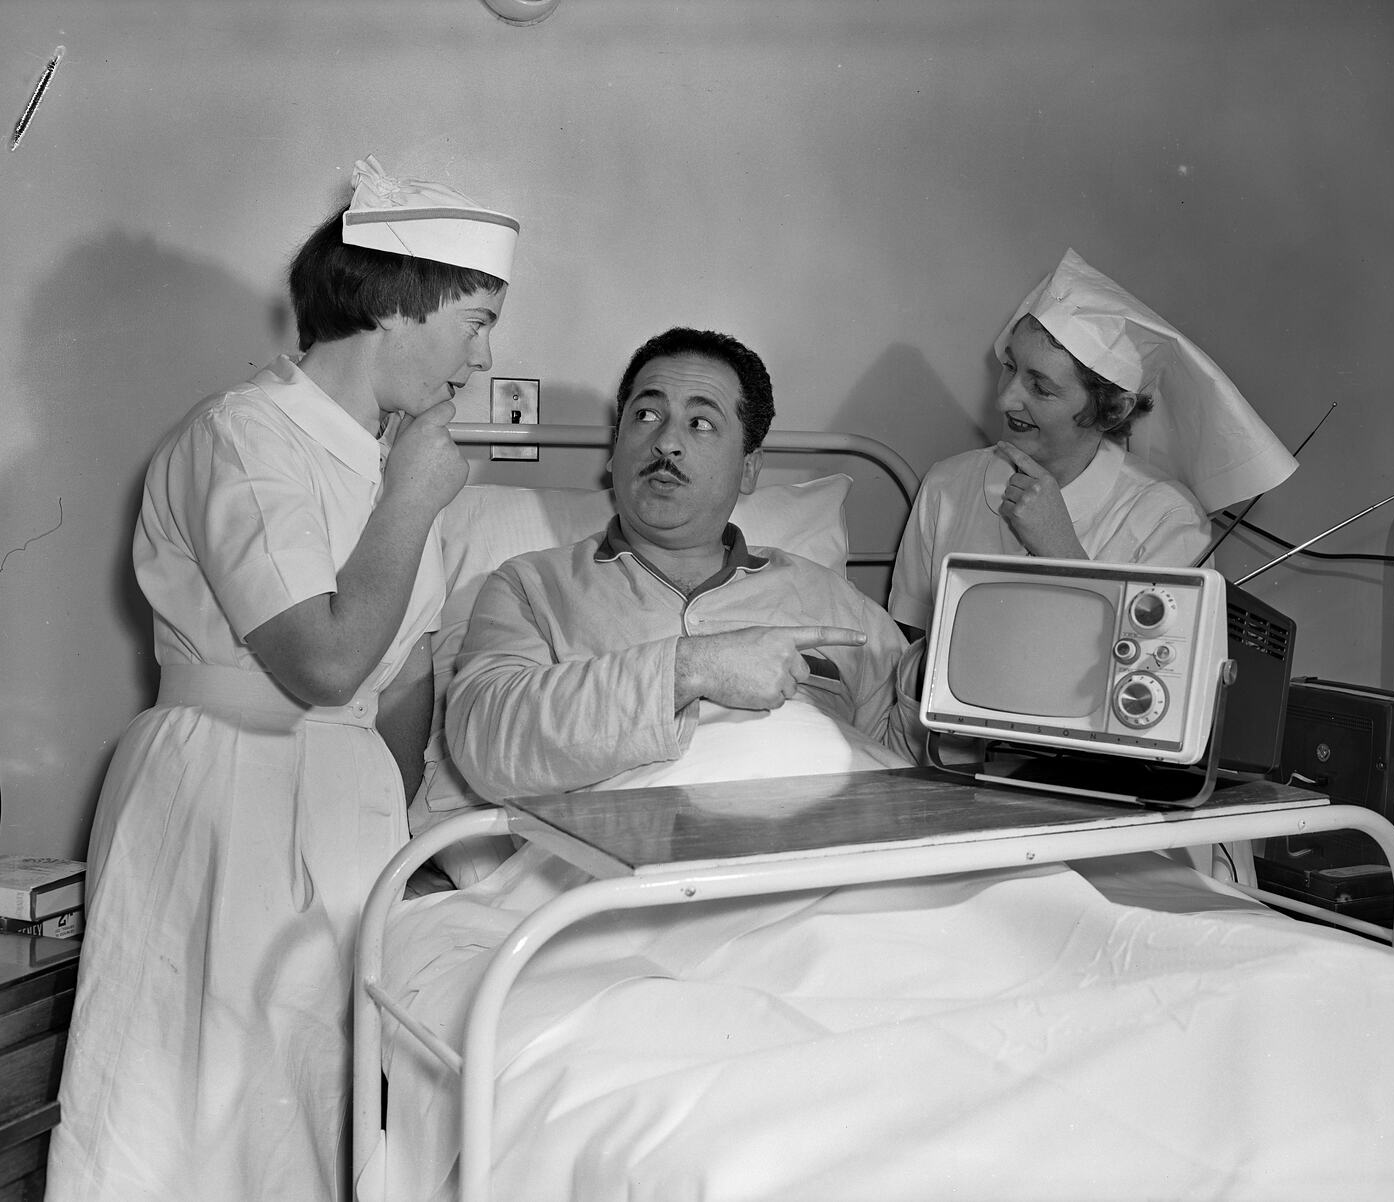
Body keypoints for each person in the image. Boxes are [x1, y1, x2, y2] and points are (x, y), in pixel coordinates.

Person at [47, 156, 520, 1202]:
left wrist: (403, 847)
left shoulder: (386, 457)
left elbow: (398, 685)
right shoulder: (246, 435)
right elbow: (325, 660)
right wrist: (413, 502)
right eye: (477, 321)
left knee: (312, 1111)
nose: (485, 357)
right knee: (197, 1116)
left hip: (346, 814)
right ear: (397, 303)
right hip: (228, 793)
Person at [446, 326, 922, 805]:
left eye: (701, 423)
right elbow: (488, 743)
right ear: (615, 449)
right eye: (647, 415)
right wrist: (691, 669)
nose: (667, 442)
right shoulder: (533, 587)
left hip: (848, 835)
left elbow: (908, 760)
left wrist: (933, 675)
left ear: (749, 468)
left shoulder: (834, 602)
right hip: (639, 845)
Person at [888, 248, 1297, 637]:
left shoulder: (1167, 521)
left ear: (1114, 410)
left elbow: (1156, 674)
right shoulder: (947, 486)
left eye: (1041, 388)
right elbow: (912, 650)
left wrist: (1060, 551)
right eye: (1009, 367)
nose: (1005, 399)